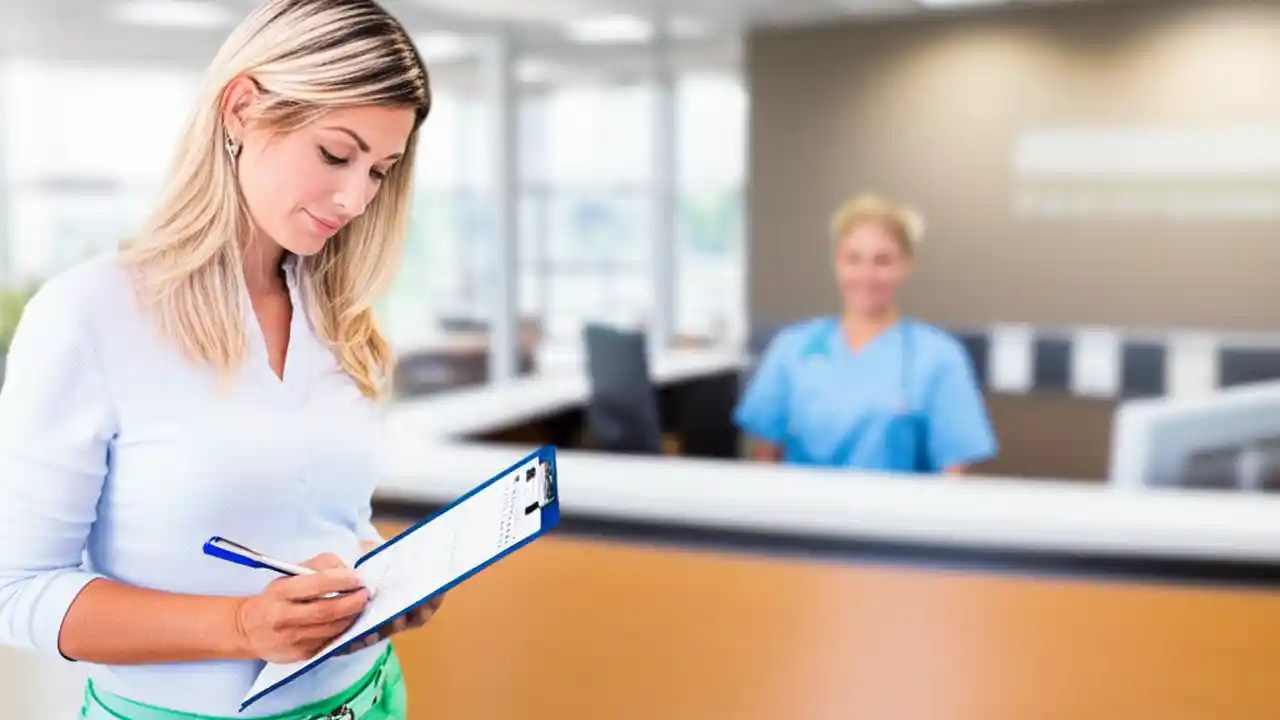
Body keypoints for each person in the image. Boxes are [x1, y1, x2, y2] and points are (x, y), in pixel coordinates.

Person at [0, 1, 441, 717]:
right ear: (241, 109)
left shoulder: (337, 315)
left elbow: (325, 516)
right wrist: (239, 626)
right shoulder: (89, 315)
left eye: (380, 171)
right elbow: (14, 591)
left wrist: (379, 580)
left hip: (368, 700)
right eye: (336, 154)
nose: (356, 197)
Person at [735, 194, 997, 474]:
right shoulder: (791, 348)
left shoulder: (938, 357)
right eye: (853, 259)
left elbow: (954, 472)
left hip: (898, 517)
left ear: (906, 265)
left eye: (882, 261)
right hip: (805, 515)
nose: (866, 274)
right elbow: (765, 458)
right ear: (837, 263)